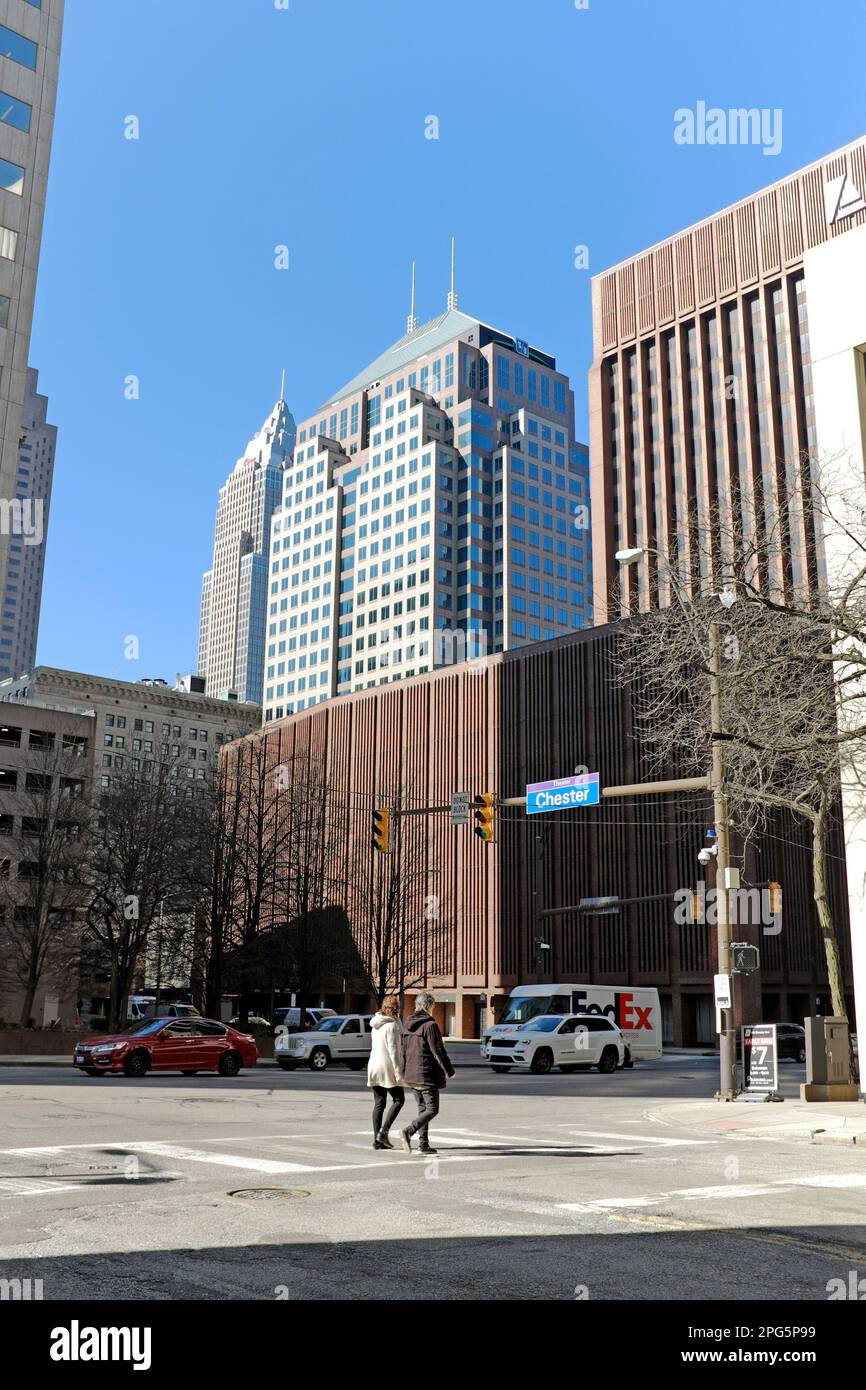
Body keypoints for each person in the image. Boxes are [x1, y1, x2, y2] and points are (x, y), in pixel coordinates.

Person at [399, 992, 455, 1155]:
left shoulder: (407, 1024)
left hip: (412, 1074)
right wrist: (449, 1070)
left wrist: (404, 1071)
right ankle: (408, 1131)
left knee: (423, 1109)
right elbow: (438, 1050)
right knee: (432, 1109)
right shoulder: (430, 1025)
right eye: (433, 1006)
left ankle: (423, 1144)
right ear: (429, 1006)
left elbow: (404, 1050)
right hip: (426, 1074)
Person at [367, 994, 405, 1150]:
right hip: (386, 1066)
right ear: (396, 1009)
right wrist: (398, 1072)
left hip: (373, 1065)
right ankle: (383, 1132)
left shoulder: (376, 1024)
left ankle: (377, 1140)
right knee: (399, 1099)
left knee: (379, 1103)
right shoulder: (392, 1026)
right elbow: (393, 1051)